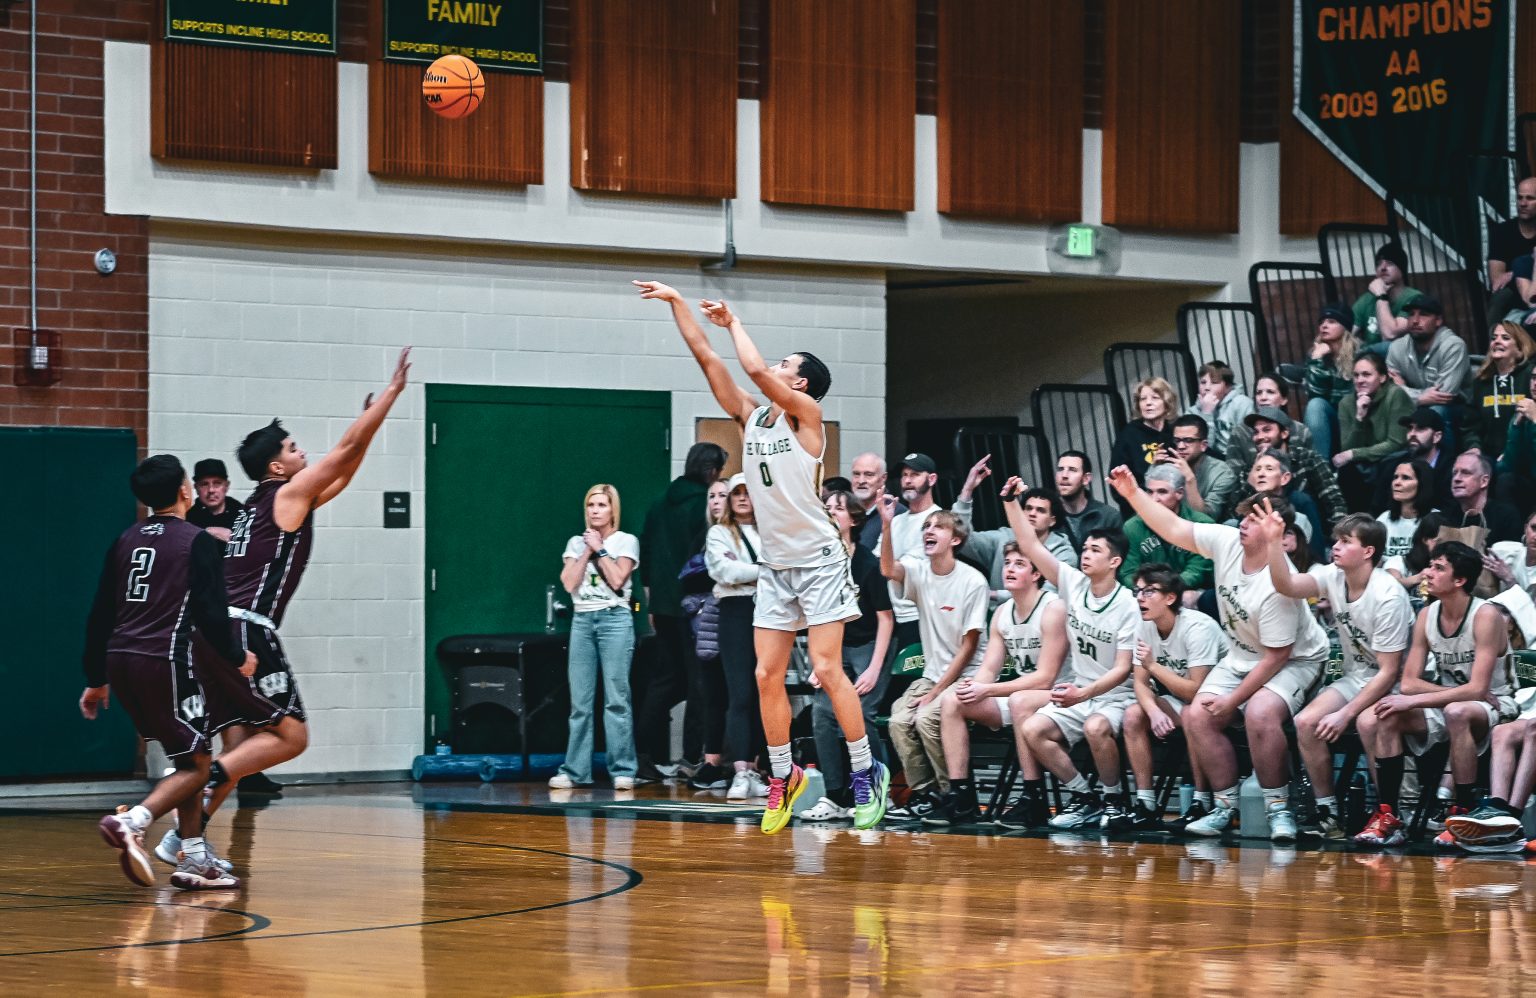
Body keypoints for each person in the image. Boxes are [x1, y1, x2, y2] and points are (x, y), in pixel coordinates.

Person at [636, 279, 890, 832]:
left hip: (820, 559)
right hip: (777, 566)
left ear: (800, 384)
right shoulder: (753, 419)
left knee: (825, 669)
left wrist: (736, 324)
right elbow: (708, 358)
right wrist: (680, 304)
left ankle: (867, 773)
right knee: (765, 675)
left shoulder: (807, 421)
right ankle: (783, 776)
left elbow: (751, 369)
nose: (772, 366)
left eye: (784, 364)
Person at [180, 348, 412, 863]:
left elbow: (344, 469)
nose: (302, 451)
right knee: (292, 736)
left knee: (239, 745)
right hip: (248, 631)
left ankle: (187, 841)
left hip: (216, 633)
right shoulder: (284, 494)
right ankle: (191, 793)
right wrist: (390, 396)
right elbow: (346, 447)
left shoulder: (264, 506)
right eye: (293, 446)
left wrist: (364, 434)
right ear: (276, 466)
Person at [1110, 468, 1331, 843]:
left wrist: (1233, 700)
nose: (1243, 524)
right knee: (1197, 715)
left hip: (1295, 660)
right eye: (1244, 516)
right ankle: (1224, 806)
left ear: (1275, 532)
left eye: (1254, 520)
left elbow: (1277, 657)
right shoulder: (1227, 541)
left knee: (1260, 713)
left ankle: (1279, 809)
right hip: (1243, 654)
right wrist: (1133, 494)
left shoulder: (1278, 584)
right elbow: (1174, 528)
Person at [81, 455, 256, 890]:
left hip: (121, 660)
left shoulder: (125, 539)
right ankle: (135, 822)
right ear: (185, 490)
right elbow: (212, 614)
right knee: (198, 766)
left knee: (186, 756)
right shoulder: (195, 540)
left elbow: (100, 612)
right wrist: (238, 657)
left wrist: (95, 677)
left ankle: (195, 855)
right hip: (165, 660)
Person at [1260, 512, 1415, 845]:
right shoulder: (1332, 575)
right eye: (1336, 540)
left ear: (1369, 551)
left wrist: (1345, 713)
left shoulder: (1388, 596)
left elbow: (1389, 672)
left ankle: (1390, 816)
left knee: (1367, 723)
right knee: (1306, 723)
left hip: (1398, 684)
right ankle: (1328, 812)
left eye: (1346, 542)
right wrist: (1273, 544)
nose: (1336, 547)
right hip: (1358, 675)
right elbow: (1285, 585)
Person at [1007, 478, 1140, 832]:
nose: (1086, 553)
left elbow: (1123, 668)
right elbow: (1029, 545)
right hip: (1080, 690)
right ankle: (1085, 797)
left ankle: (1115, 800)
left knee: (1097, 728)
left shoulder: (1128, 604)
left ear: (1114, 561)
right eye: (1085, 547)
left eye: (1095, 550)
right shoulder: (1072, 582)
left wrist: (1085, 693)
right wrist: (1011, 502)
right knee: (1033, 728)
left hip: (1116, 696)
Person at [1368, 542, 1518, 831]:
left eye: (1439, 568)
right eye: (1430, 565)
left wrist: (1414, 700)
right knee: (1388, 711)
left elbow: (1478, 691)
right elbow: (1410, 683)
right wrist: (1415, 699)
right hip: (1450, 698)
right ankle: (1388, 815)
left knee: (1457, 712)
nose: (1428, 573)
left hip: (1497, 702)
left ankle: (1462, 811)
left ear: (1460, 580)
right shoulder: (1427, 615)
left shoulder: (1486, 615)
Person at [926, 543, 1067, 827]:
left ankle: (1033, 797)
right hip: (1022, 694)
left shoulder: (1053, 609)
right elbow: (989, 668)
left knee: (1020, 701)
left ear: (1037, 573)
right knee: (954, 700)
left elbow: (1045, 678)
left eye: (1019, 564)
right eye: (1007, 563)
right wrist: (972, 688)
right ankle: (961, 796)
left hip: (1060, 695)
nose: (1010, 569)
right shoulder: (1003, 612)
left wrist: (987, 690)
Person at [878, 506, 989, 817]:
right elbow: (888, 570)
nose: (929, 530)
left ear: (955, 539)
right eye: (926, 526)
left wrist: (937, 691)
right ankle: (926, 794)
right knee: (900, 722)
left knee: (927, 718)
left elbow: (969, 647)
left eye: (938, 527)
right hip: (934, 675)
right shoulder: (919, 572)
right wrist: (886, 526)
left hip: (969, 675)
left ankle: (953, 793)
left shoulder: (973, 581)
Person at [801, 490, 894, 821]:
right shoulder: (822, 562)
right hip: (836, 646)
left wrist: (873, 668)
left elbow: (886, 619)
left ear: (853, 520)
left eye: (837, 509)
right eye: (826, 509)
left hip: (870, 644)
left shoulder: (867, 563)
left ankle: (872, 789)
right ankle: (834, 795)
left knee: (861, 712)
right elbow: (819, 617)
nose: (830, 513)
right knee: (822, 714)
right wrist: (819, 663)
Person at [637, 440, 726, 781]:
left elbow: (646, 554)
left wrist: (651, 602)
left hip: (662, 605)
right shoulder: (701, 506)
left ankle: (643, 755)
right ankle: (691, 758)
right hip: (696, 606)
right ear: (711, 471)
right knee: (700, 684)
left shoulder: (659, 503)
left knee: (665, 682)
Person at [1115, 563, 1227, 832]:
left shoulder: (1198, 628)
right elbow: (1140, 684)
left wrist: (1154, 667)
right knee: (1133, 716)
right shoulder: (1144, 626)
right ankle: (1146, 804)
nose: (1140, 597)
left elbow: (1195, 690)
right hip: (1182, 699)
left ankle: (1200, 802)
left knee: (1191, 714)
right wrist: (1153, 712)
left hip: (1222, 703)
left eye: (1149, 591)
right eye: (1138, 591)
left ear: (1170, 597)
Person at [551, 484, 640, 791]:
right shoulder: (576, 542)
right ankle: (575, 770)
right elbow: (568, 582)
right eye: (590, 505)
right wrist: (587, 548)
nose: (595, 510)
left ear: (613, 509)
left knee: (617, 698)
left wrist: (601, 549)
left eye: (601, 504)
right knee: (581, 702)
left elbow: (618, 579)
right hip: (583, 619)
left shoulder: (626, 541)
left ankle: (623, 768)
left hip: (614, 618)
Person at [703, 473, 769, 801]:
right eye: (736, 493)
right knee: (741, 692)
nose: (742, 498)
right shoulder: (718, 532)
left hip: (769, 613)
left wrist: (748, 570)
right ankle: (740, 770)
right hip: (736, 613)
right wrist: (764, 570)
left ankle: (757, 767)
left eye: (748, 492)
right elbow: (724, 572)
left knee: (765, 691)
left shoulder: (770, 530)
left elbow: (786, 567)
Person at [952, 455, 1075, 602]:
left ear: (1052, 520)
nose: (1032, 514)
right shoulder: (1003, 537)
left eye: (1040, 510)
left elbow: (1047, 594)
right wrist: (967, 489)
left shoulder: (1064, 554)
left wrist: (993, 595)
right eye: (1028, 508)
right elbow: (963, 539)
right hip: (999, 616)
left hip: (1041, 618)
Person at [1231, 406, 1346, 531]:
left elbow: (1334, 502)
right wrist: (1255, 471)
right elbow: (1236, 512)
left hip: (1310, 531)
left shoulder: (1308, 459)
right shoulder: (1251, 468)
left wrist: (1338, 538)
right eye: (1256, 432)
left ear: (1284, 433)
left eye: (1267, 430)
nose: (1259, 436)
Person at [1386, 296, 1471, 453]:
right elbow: (1389, 392)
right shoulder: (1397, 347)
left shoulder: (1453, 345)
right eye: (1411, 314)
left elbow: (1445, 395)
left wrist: (1403, 389)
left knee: (1436, 411)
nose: (1415, 320)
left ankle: (1443, 466)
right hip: (1418, 408)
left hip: (1456, 409)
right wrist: (1420, 398)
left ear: (1438, 320)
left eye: (1423, 314)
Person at [1118, 464, 1214, 599]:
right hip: (1146, 593)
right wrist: (1150, 591)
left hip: (1188, 590)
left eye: (1162, 492)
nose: (1154, 499)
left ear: (1179, 493)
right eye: (1150, 492)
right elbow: (1128, 573)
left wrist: (1164, 590)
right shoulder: (1132, 527)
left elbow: (1197, 571)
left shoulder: (1201, 524)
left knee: (1188, 598)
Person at [1333, 352, 1412, 511]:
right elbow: (1347, 448)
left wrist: (1354, 454)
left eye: (1366, 375)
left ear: (1382, 377)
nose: (1360, 380)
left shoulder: (1395, 395)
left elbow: (1396, 443)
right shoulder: (1347, 403)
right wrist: (1359, 417)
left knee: (1389, 465)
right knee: (1346, 472)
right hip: (1365, 465)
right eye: (1356, 375)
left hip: (1391, 459)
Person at [883, 453, 945, 647]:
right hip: (894, 616)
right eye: (904, 475)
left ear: (932, 479)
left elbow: (891, 571)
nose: (908, 480)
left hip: (922, 616)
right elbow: (878, 564)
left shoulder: (939, 521)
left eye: (915, 474)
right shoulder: (896, 519)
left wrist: (885, 526)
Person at [1288, 303, 1360, 461]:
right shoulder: (1317, 355)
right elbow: (1316, 394)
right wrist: (1317, 360)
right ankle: (1321, 468)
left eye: (1332, 321)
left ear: (1345, 327)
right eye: (1321, 322)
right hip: (1328, 421)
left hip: (1355, 419)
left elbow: (1348, 398)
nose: (1324, 326)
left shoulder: (1360, 355)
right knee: (1315, 405)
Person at [1464, 322, 1535, 459]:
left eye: (1505, 338)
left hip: (1524, 456)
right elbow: (1470, 425)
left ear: (1520, 348)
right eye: (1494, 338)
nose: (1497, 341)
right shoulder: (1481, 381)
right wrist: (1474, 447)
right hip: (1489, 458)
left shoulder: (1531, 375)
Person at [1371, 406, 1458, 515]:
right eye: (1410, 428)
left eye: (1420, 428)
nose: (1412, 433)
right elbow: (1378, 507)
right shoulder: (1393, 466)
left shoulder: (1453, 469)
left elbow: (1452, 511)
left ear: (1437, 436)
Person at [1223, 373, 1316, 471]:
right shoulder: (1240, 433)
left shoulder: (1301, 430)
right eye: (1258, 392)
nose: (1263, 397)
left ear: (1284, 399)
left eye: (1270, 392)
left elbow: (1313, 466)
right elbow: (1234, 473)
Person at [1161, 414, 1239, 522]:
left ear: (1203, 445)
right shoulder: (1170, 467)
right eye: (1177, 440)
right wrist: (1155, 470)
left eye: (1188, 440)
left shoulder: (1222, 472)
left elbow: (1205, 520)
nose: (1181, 446)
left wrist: (1189, 479)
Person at [1110, 377, 1178, 493]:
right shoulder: (1129, 434)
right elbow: (1116, 479)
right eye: (1143, 399)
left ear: (1167, 403)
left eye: (1155, 398)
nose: (1148, 403)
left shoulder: (1176, 429)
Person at [1483, 177, 1536, 326]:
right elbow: (1497, 279)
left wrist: (1515, 271)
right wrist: (1520, 271)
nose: (1523, 203)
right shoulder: (1502, 231)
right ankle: (1494, 345)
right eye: (1520, 198)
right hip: (1513, 291)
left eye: (1530, 198)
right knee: (1499, 297)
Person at [1351, 242, 1423, 351]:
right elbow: (1345, 334)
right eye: (1379, 264)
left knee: (1387, 346)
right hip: (1370, 362)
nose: (1383, 268)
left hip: (1402, 360)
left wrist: (1381, 295)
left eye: (1390, 263)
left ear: (1402, 270)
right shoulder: (1366, 299)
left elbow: (1390, 334)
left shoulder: (1414, 298)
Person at [1448, 451, 1523, 545]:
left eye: (1465, 473)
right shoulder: (1445, 516)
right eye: (1454, 473)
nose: (1456, 479)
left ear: (1484, 481)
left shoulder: (1506, 517)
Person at [1055, 450, 1123, 553]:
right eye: (1060, 469)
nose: (1064, 475)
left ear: (1086, 478)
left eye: (1072, 470)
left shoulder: (1108, 517)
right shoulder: (1048, 515)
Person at [1376, 459, 1436, 575]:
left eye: (1406, 478)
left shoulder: (1435, 519)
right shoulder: (1384, 518)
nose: (1397, 483)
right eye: (1395, 477)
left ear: (1422, 483)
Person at [1185, 361, 1254, 459]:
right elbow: (1202, 448)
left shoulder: (1241, 404)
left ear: (1228, 387)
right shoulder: (1192, 412)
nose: (1207, 388)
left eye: (1214, 383)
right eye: (1203, 382)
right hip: (1207, 461)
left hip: (1236, 459)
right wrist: (1206, 413)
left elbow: (1247, 443)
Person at [849, 452, 900, 551]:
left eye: (869, 475)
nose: (861, 481)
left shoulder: (897, 513)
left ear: (883, 478)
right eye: (856, 474)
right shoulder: (844, 510)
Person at [186, 458, 245, 543]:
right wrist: (206, 532)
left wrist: (234, 538)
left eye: (217, 483)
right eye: (204, 484)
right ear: (196, 487)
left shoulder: (241, 514)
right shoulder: (189, 519)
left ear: (226, 486)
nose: (211, 490)